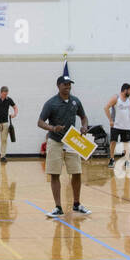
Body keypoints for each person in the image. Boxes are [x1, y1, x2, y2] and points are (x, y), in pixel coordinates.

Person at [37, 75, 91, 219]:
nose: (68, 87)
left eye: (69, 84)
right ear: (58, 86)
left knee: (77, 172)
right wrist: (53, 128)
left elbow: (83, 117)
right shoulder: (51, 103)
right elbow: (40, 122)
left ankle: (77, 204)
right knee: (55, 174)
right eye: (65, 84)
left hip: (72, 141)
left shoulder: (75, 101)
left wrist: (84, 127)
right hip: (55, 141)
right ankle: (58, 207)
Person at [105, 83, 130, 169]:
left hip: (126, 126)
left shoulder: (129, 100)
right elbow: (106, 108)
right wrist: (110, 120)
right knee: (113, 142)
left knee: (126, 143)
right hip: (115, 125)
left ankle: (126, 161)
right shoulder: (116, 98)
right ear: (125, 90)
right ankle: (112, 159)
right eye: (129, 90)